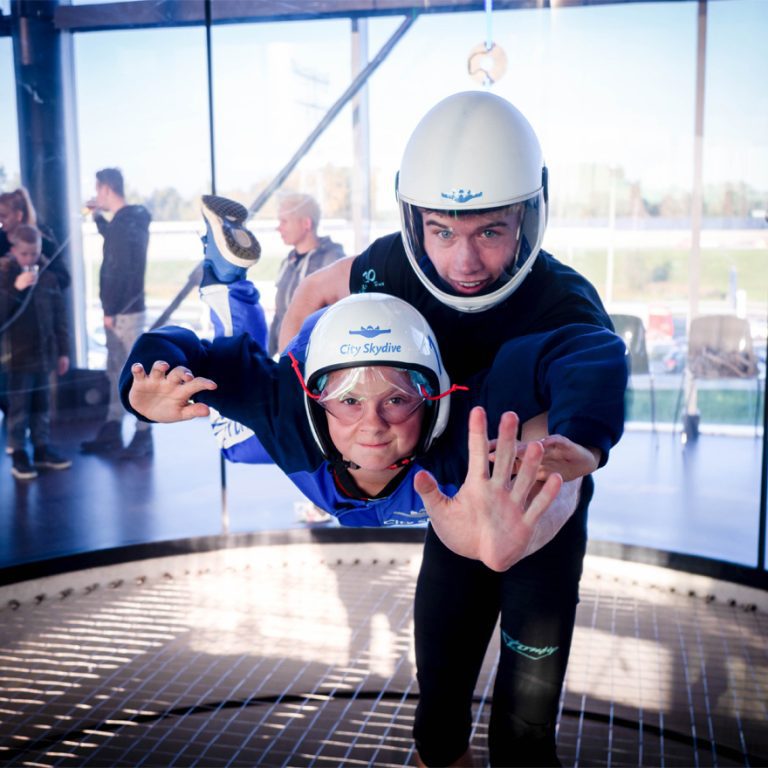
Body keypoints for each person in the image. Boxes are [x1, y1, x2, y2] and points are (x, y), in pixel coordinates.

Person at [270, 90, 622, 766]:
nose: (462, 262)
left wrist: (506, 534)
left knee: (523, 739)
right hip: (451, 513)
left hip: (535, 525)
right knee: (436, 726)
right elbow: (314, 293)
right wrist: (302, 398)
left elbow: (563, 465)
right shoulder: (395, 266)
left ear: (528, 217)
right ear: (416, 223)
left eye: (490, 231)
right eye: (442, 230)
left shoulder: (568, 305)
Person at [80, 168, 152, 459]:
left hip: (122, 313)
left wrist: (109, 310)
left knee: (129, 374)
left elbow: (116, 269)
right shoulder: (130, 222)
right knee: (118, 373)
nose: (97, 196)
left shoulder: (124, 225)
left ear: (106, 189)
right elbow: (115, 241)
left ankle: (142, 435)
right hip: (129, 309)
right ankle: (115, 428)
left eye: (98, 191)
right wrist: (97, 216)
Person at [0, 225, 71, 480]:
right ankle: (19, 452)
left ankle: (42, 448)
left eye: (34, 253)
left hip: (45, 354)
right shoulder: (5, 277)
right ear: (14, 251)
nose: (30, 259)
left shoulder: (49, 277)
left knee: (41, 405)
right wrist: (15, 290)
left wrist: (63, 352)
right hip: (17, 357)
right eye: (25, 254)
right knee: (19, 407)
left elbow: (60, 319)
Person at [268, 192, 345, 357]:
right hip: (288, 358)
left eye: (284, 221)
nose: (278, 228)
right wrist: (269, 357)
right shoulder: (287, 263)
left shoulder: (332, 261)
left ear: (306, 223)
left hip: (317, 357)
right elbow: (280, 314)